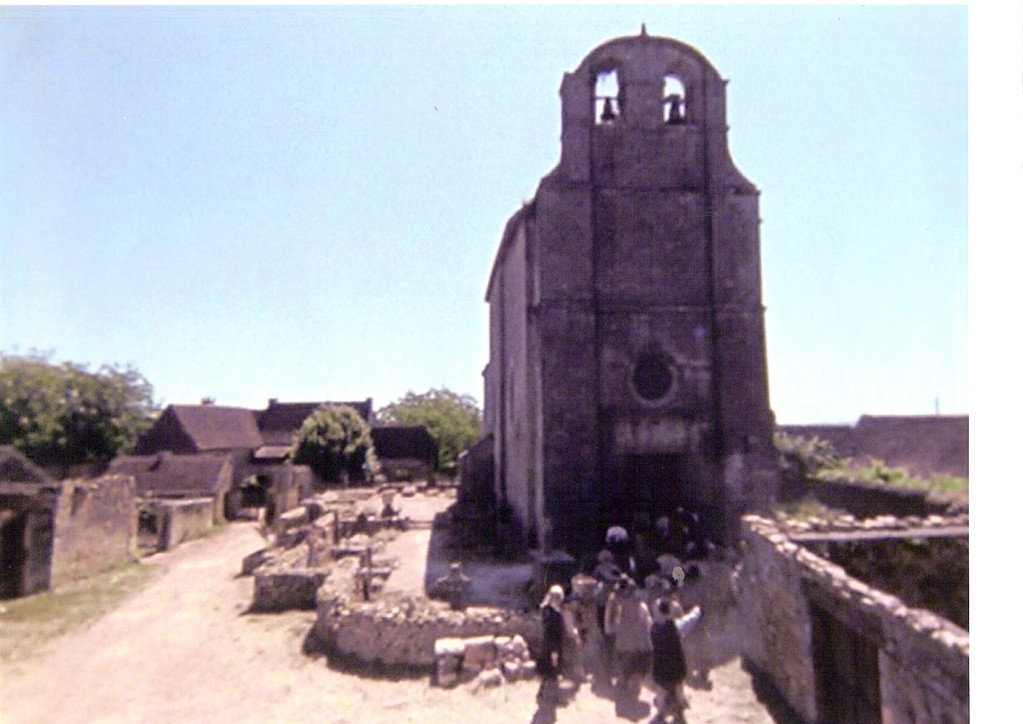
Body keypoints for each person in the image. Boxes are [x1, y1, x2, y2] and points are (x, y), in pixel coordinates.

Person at [650, 598, 701, 722]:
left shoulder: (652, 628)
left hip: (660, 667)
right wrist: (697, 610)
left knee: (661, 691)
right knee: (678, 688)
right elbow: (691, 619)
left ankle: (661, 714)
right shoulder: (676, 626)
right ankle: (679, 713)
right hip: (676, 666)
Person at [603, 576, 652, 703]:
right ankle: (628, 687)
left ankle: (627, 687)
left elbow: (610, 620)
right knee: (629, 665)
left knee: (627, 665)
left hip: (627, 641)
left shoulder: (619, 601)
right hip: (630, 641)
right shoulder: (633, 603)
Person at [536, 585, 566, 706]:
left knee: (548, 673)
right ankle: (551, 697)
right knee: (552, 673)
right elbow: (553, 633)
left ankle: (543, 694)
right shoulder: (553, 614)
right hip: (552, 647)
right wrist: (555, 651)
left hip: (546, 646)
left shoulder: (545, 610)